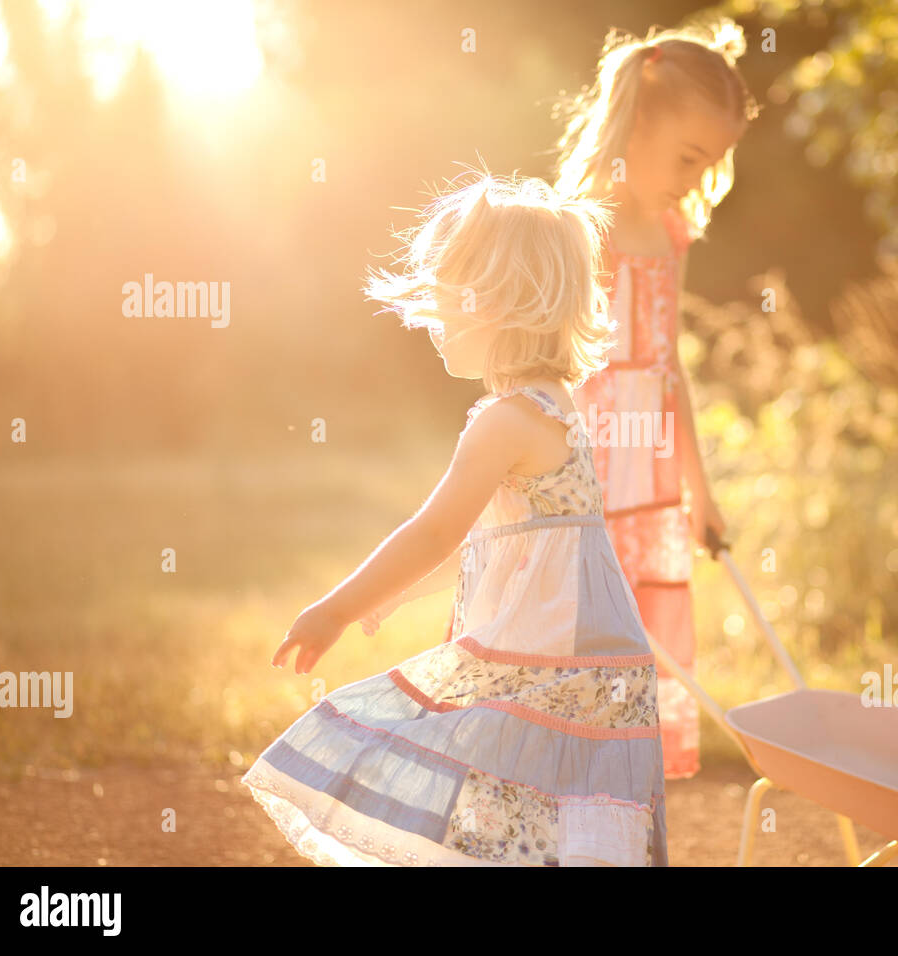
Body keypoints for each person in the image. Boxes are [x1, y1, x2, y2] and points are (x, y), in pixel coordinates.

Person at [241, 173, 667, 866]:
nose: (432, 321)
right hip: (593, 668)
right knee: (555, 817)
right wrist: (399, 594)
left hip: (549, 666)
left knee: (481, 780)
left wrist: (336, 609)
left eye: (444, 304)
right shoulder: (553, 406)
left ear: (500, 305)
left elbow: (434, 531)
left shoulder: (505, 422)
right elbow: (492, 545)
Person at [550, 17, 757, 778]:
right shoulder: (579, 228)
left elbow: (669, 372)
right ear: (638, 120)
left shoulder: (670, 234)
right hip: (581, 477)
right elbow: (546, 369)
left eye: (712, 165)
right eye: (689, 157)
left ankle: (612, 813)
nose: (697, 180)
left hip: (651, 487)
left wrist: (699, 494)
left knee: (634, 653)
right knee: (571, 644)